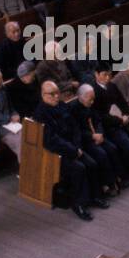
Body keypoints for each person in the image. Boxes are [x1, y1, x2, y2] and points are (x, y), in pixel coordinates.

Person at [33, 80, 105, 221]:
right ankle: (78, 204)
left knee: (92, 164)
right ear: (43, 95)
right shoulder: (40, 114)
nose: (56, 97)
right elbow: (51, 141)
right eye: (51, 94)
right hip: (56, 153)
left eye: (57, 93)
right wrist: (73, 150)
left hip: (73, 147)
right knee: (79, 168)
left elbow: (75, 127)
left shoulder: (61, 105)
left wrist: (77, 146)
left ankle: (95, 196)